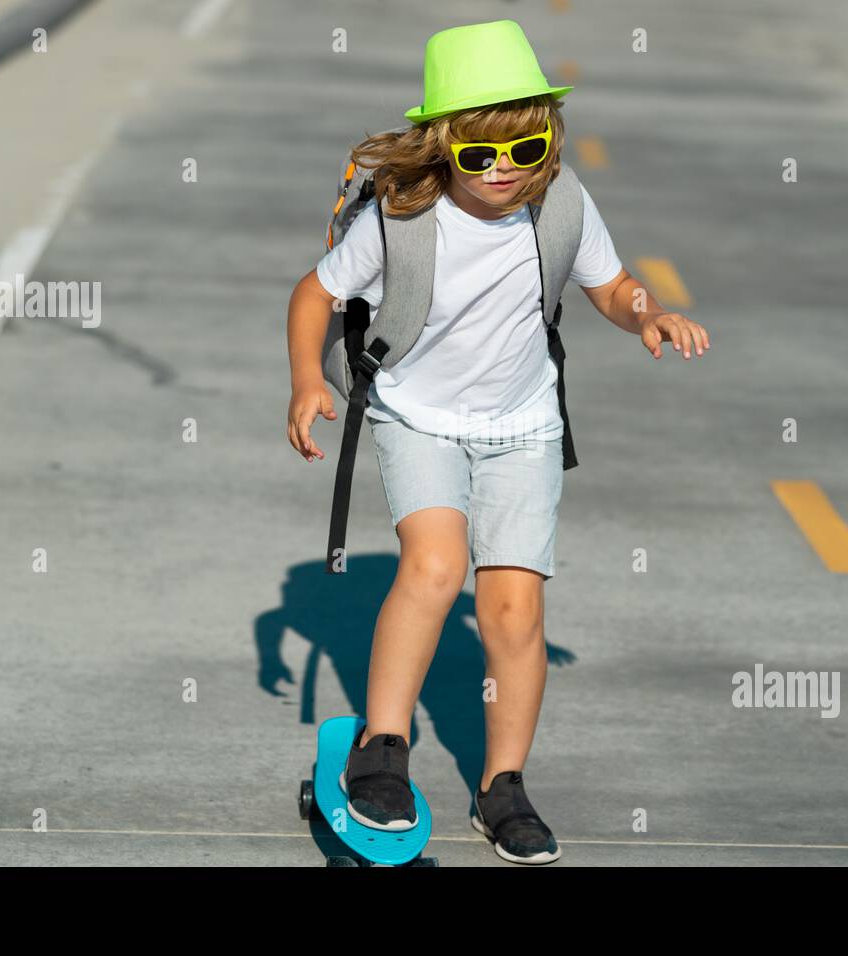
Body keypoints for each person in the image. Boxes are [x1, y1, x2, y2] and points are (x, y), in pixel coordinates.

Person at [285, 19, 708, 864]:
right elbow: (313, 293)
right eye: (480, 156)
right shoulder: (404, 218)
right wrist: (305, 381)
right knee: (435, 568)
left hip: (523, 426)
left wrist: (646, 315)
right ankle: (383, 751)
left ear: (549, 134)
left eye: (527, 148)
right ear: (444, 148)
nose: (506, 172)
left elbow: (612, 285)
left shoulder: (561, 204)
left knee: (514, 611)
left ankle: (502, 787)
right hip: (418, 415)